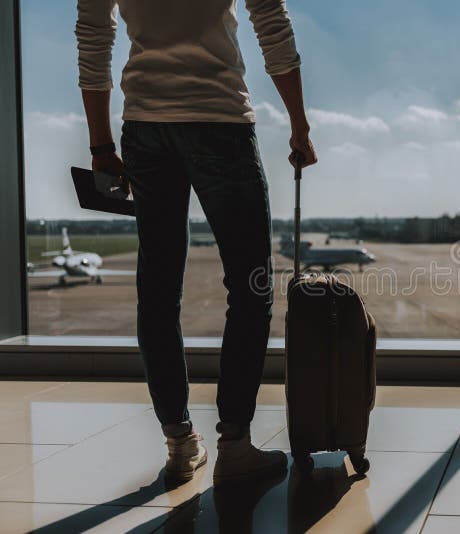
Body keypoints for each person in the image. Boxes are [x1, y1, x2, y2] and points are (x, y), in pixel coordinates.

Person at [75, 0, 318, 486]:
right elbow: (271, 22)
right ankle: (235, 444)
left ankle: (180, 444)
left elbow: (93, 35)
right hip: (220, 118)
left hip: (145, 126)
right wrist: (299, 123)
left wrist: (101, 144)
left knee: (159, 292)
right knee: (250, 287)